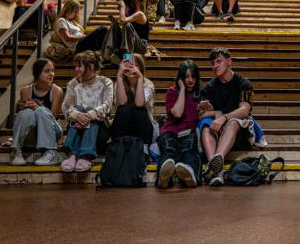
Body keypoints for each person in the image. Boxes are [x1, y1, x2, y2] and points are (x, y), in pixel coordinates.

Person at [198, 48, 257, 186]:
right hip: (217, 132)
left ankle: (213, 169)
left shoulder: (244, 83)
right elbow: (200, 115)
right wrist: (214, 113)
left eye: (219, 62)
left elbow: (245, 110)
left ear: (229, 61)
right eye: (212, 63)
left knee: (233, 122)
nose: (215, 66)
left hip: (239, 134)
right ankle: (216, 171)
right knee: (206, 127)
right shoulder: (208, 88)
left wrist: (224, 117)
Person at [61, 51, 113, 172]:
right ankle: (74, 156)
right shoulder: (73, 83)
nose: (76, 69)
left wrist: (89, 115)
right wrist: (78, 115)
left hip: (100, 129)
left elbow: (108, 106)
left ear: (91, 66)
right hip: (76, 126)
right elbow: (66, 107)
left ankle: (84, 155)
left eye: (79, 66)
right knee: (78, 109)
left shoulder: (105, 82)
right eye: (76, 66)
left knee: (90, 110)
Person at [156, 60, 203, 188]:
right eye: (186, 77)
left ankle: (190, 173)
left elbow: (200, 117)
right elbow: (177, 113)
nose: (190, 80)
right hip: (170, 130)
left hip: (188, 131)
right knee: (169, 149)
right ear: (180, 78)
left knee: (188, 150)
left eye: (193, 76)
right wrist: (182, 89)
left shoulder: (200, 95)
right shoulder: (172, 92)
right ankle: (163, 176)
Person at [9, 59, 64, 166]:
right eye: (47, 71)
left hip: (52, 132)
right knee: (26, 113)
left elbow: (52, 117)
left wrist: (38, 107)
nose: (51, 74)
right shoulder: (26, 91)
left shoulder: (57, 91)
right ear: (37, 73)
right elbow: (25, 118)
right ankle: (16, 151)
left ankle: (51, 152)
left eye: (52, 71)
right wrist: (24, 107)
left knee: (41, 111)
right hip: (32, 134)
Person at [110, 53, 154, 149]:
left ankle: (144, 148)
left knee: (139, 109)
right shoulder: (120, 83)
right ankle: (119, 146)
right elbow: (121, 102)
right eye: (128, 64)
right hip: (123, 127)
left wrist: (140, 78)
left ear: (141, 68)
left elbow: (139, 103)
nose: (131, 68)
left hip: (142, 128)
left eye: (135, 65)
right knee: (123, 108)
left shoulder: (148, 84)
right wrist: (119, 76)